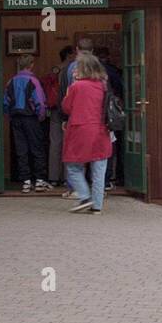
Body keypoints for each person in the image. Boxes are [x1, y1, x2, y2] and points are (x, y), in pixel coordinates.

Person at [60, 51, 113, 214]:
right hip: (101, 129)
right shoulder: (103, 85)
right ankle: (97, 205)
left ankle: (85, 196)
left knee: (73, 166)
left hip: (80, 129)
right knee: (99, 168)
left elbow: (66, 107)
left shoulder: (77, 86)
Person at [3, 54, 51, 192]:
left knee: (21, 150)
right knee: (37, 148)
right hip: (31, 118)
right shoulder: (33, 81)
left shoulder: (11, 81)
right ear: (31, 65)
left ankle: (26, 181)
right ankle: (40, 180)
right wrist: (41, 116)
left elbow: (5, 101)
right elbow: (40, 102)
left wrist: (8, 116)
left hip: (16, 118)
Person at [96, 46, 124, 189]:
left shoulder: (88, 75)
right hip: (110, 113)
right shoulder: (112, 71)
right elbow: (121, 86)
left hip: (93, 116)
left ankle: (98, 182)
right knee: (111, 145)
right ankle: (107, 180)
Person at [48, 45, 73, 187]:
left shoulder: (55, 69)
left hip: (55, 108)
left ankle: (53, 176)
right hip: (68, 108)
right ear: (69, 55)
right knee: (68, 143)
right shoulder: (74, 70)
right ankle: (68, 177)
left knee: (55, 143)